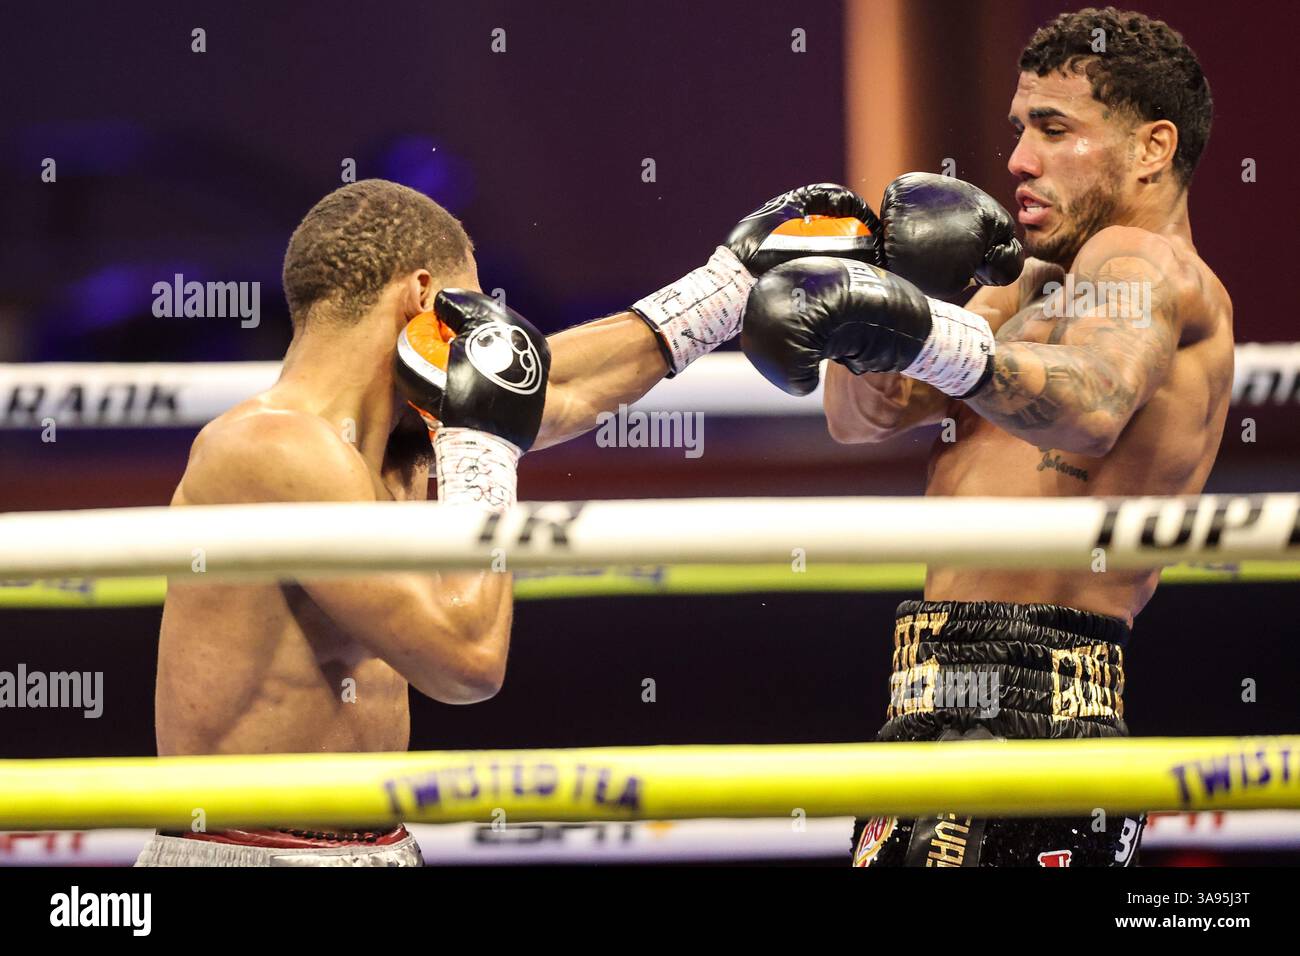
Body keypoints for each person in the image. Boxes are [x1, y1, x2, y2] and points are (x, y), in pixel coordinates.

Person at [137, 176, 916, 865]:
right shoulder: (272, 446)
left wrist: (725, 291)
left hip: (377, 847)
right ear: (421, 298)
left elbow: (566, 382)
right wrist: (480, 449)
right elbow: (466, 661)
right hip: (241, 853)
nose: (485, 335)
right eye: (472, 309)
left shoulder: (404, 447)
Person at [741, 7, 1231, 866]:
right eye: (1019, 129)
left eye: (1054, 129)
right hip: (924, 688)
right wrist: (883, 300)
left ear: (1153, 149)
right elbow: (861, 417)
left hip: (1037, 695)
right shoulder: (1027, 286)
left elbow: (1092, 401)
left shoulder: (1148, 263)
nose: (1017, 162)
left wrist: (925, 334)